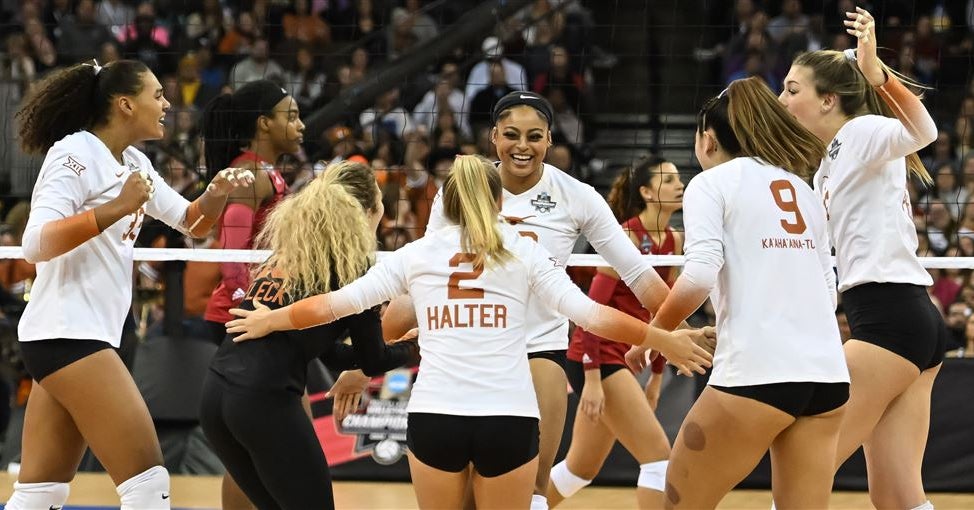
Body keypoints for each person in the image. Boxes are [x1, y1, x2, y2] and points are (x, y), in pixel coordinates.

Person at [225, 155, 713, 510]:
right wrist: (662, 337)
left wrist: (269, 318)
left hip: (437, 417)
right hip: (508, 418)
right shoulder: (522, 249)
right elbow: (591, 315)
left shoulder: (417, 253)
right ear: (499, 199)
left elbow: (335, 305)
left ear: (447, 203)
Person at [390, 91, 714, 510]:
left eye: (534, 136)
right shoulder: (462, 191)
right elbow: (427, 268)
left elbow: (636, 271)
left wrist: (678, 330)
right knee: (467, 494)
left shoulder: (576, 195)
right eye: (511, 135)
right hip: (469, 347)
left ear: (548, 141)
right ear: (493, 137)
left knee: (535, 487)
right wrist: (375, 351)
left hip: (539, 344)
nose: (522, 146)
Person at [5, 59, 252, 510]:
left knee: (39, 494)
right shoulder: (74, 154)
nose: (166, 103)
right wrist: (115, 208)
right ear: (124, 104)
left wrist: (215, 195)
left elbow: (190, 223)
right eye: (157, 95)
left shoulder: (134, 161)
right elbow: (35, 243)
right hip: (68, 334)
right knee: (148, 485)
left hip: (75, 335)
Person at [627, 77, 849, 509]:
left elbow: (698, 275)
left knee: (677, 504)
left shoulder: (711, 183)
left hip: (757, 376)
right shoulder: (801, 189)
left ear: (707, 139)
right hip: (825, 378)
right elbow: (828, 290)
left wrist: (655, 334)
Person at [777, 8, 943, 509]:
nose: (782, 98)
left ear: (828, 100)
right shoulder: (824, 165)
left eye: (791, 88)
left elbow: (924, 132)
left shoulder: (863, 130)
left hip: (891, 321)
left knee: (802, 467)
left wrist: (879, 76)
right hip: (905, 321)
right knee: (896, 497)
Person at [199, 161, 420, 510]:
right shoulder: (352, 267)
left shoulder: (294, 252)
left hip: (215, 398)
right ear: (366, 211)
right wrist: (412, 348)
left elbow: (328, 352)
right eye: (379, 203)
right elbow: (373, 358)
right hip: (262, 401)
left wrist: (379, 357)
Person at [549, 156, 685, 509]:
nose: (678, 184)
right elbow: (591, 313)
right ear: (646, 191)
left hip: (621, 357)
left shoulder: (675, 240)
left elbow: (663, 315)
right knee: (658, 458)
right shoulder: (625, 235)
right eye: (667, 179)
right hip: (595, 355)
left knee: (578, 470)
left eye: (677, 178)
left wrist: (657, 376)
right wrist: (591, 378)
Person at [199, 78, 304, 510]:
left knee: (257, 442)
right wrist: (249, 307)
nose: (300, 125)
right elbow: (230, 251)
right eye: (291, 116)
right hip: (241, 318)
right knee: (256, 442)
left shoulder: (268, 173)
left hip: (258, 315)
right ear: (264, 122)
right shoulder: (247, 175)